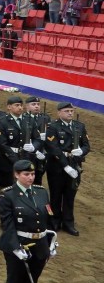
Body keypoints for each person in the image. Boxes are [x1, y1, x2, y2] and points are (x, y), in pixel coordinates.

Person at [0, 160, 56, 283]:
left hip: (40, 245)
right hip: (19, 245)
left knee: (31, 282)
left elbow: (47, 219)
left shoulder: (41, 192)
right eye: (26, 174)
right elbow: (8, 225)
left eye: (32, 174)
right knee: (15, 282)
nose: (30, 177)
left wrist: (51, 242)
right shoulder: (7, 195)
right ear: (16, 175)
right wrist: (16, 247)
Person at [45, 101, 90, 236]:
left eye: (71, 111)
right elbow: (53, 148)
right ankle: (54, 222)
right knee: (56, 195)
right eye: (66, 111)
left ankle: (68, 222)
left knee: (70, 195)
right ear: (59, 113)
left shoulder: (79, 126)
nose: (70, 113)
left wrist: (81, 151)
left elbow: (87, 145)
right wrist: (65, 166)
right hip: (57, 166)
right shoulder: (53, 127)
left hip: (75, 164)